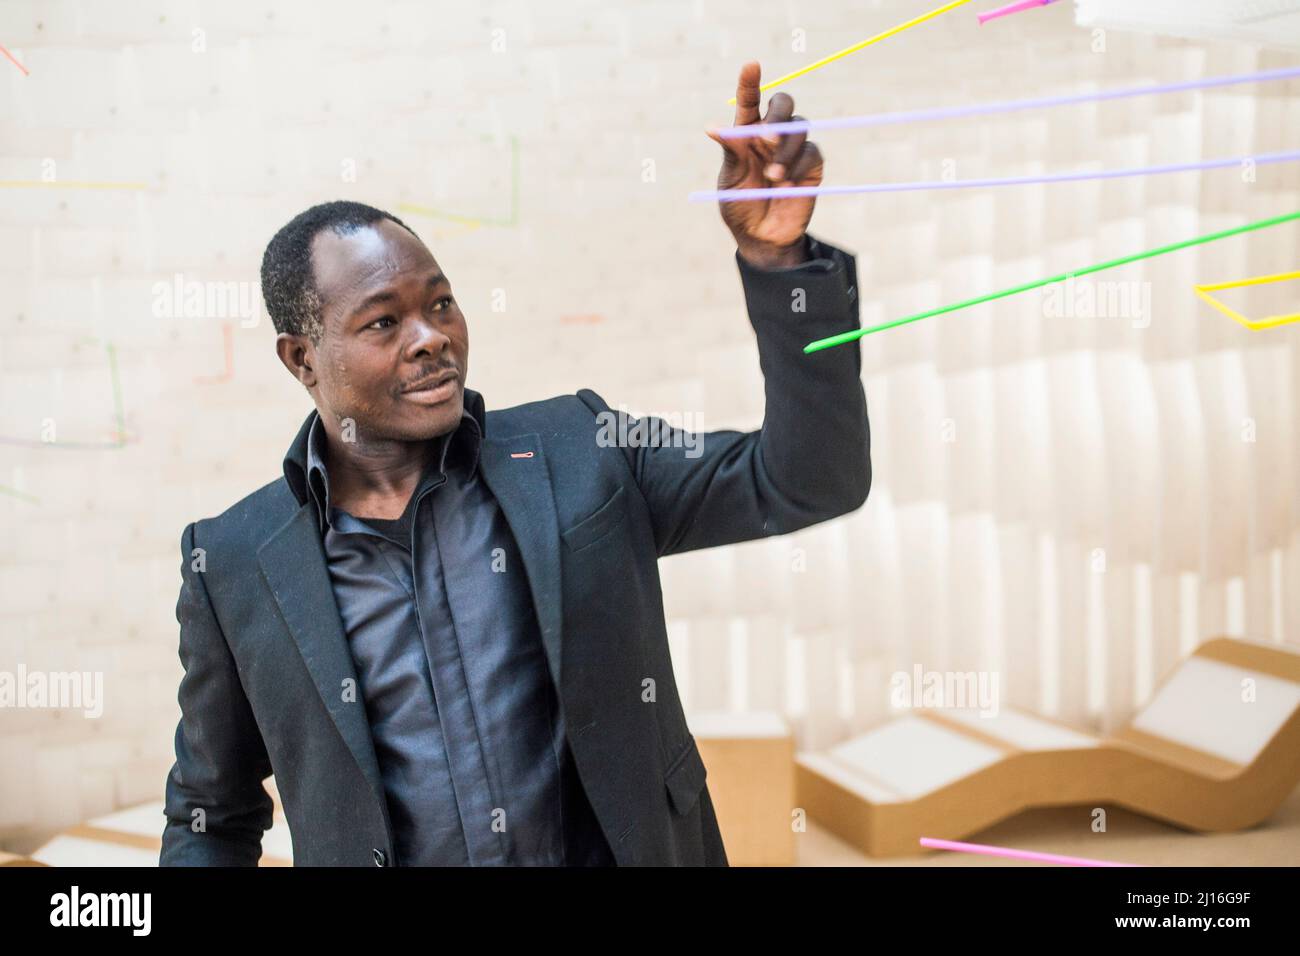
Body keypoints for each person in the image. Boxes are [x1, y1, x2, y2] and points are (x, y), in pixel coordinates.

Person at [160, 61, 871, 866]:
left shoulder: (580, 450)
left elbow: (808, 478)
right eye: (383, 321)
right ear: (302, 359)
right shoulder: (234, 564)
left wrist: (782, 268)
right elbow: (209, 818)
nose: (430, 336)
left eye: (439, 303)